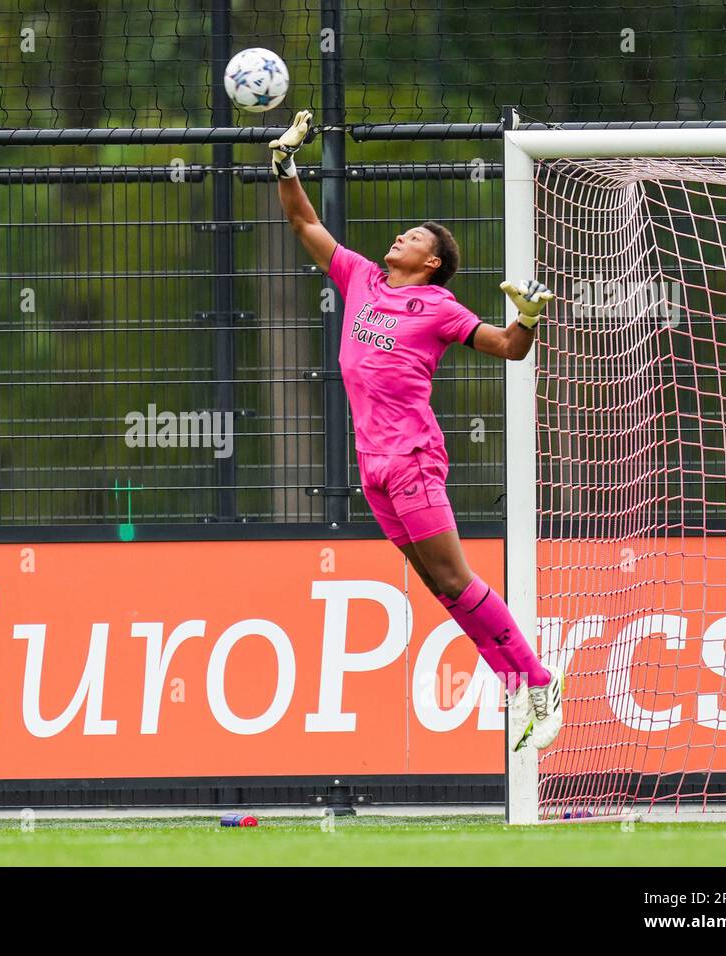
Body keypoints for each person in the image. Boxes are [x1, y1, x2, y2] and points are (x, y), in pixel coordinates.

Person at [270, 111, 562, 749]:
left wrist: (532, 316)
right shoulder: (361, 280)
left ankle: (538, 681)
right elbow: (304, 222)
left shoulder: (438, 307)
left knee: (455, 577)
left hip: (411, 458)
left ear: (431, 262)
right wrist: (286, 164)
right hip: (371, 465)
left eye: (411, 238)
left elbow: (509, 348)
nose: (397, 239)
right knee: (435, 583)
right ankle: (519, 685)